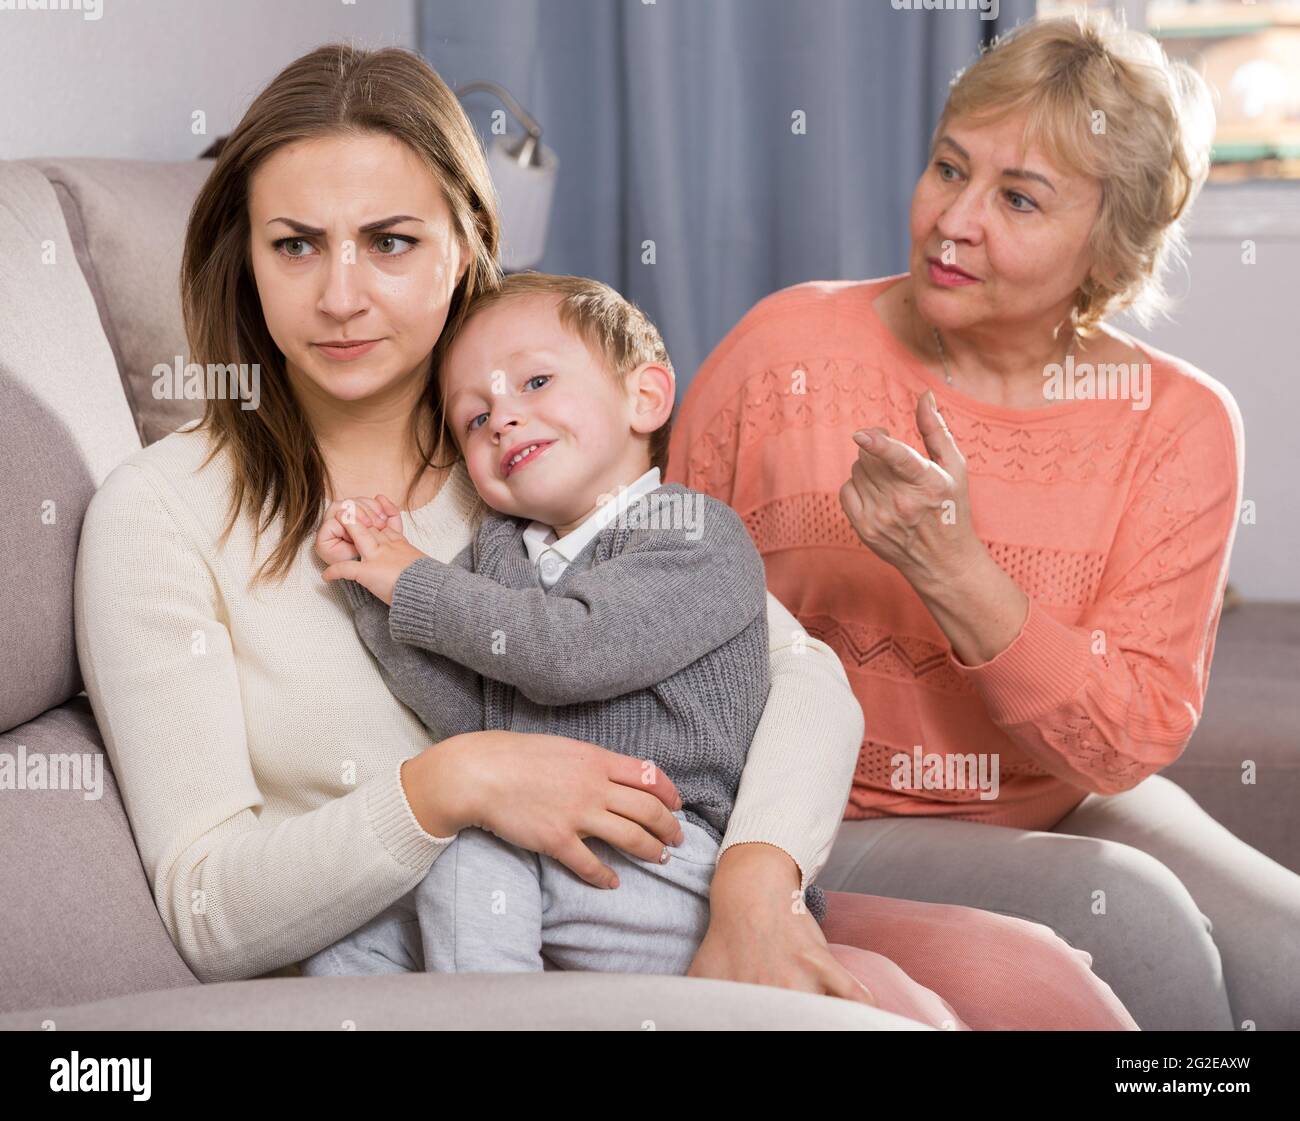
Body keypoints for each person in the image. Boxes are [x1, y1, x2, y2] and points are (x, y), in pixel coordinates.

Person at [73, 42, 1136, 1029]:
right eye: (295, 245)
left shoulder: (528, 455)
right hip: (429, 955)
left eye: (391, 242)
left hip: (672, 885)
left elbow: (801, 678)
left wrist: (757, 891)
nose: (341, 296)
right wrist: (456, 782)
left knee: (1036, 983)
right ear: (245, 258)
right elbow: (207, 906)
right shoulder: (159, 514)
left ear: (467, 247)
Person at [667, 12, 1297, 1031]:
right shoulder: (779, 348)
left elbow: (1121, 739)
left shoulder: (1178, 423)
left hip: (1057, 792)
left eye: (1017, 198)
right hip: (821, 815)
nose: (954, 221)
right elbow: (658, 622)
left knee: (1287, 952)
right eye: (948, 169)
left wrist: (957, 571)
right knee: (1139, 922)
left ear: (1109, 245)